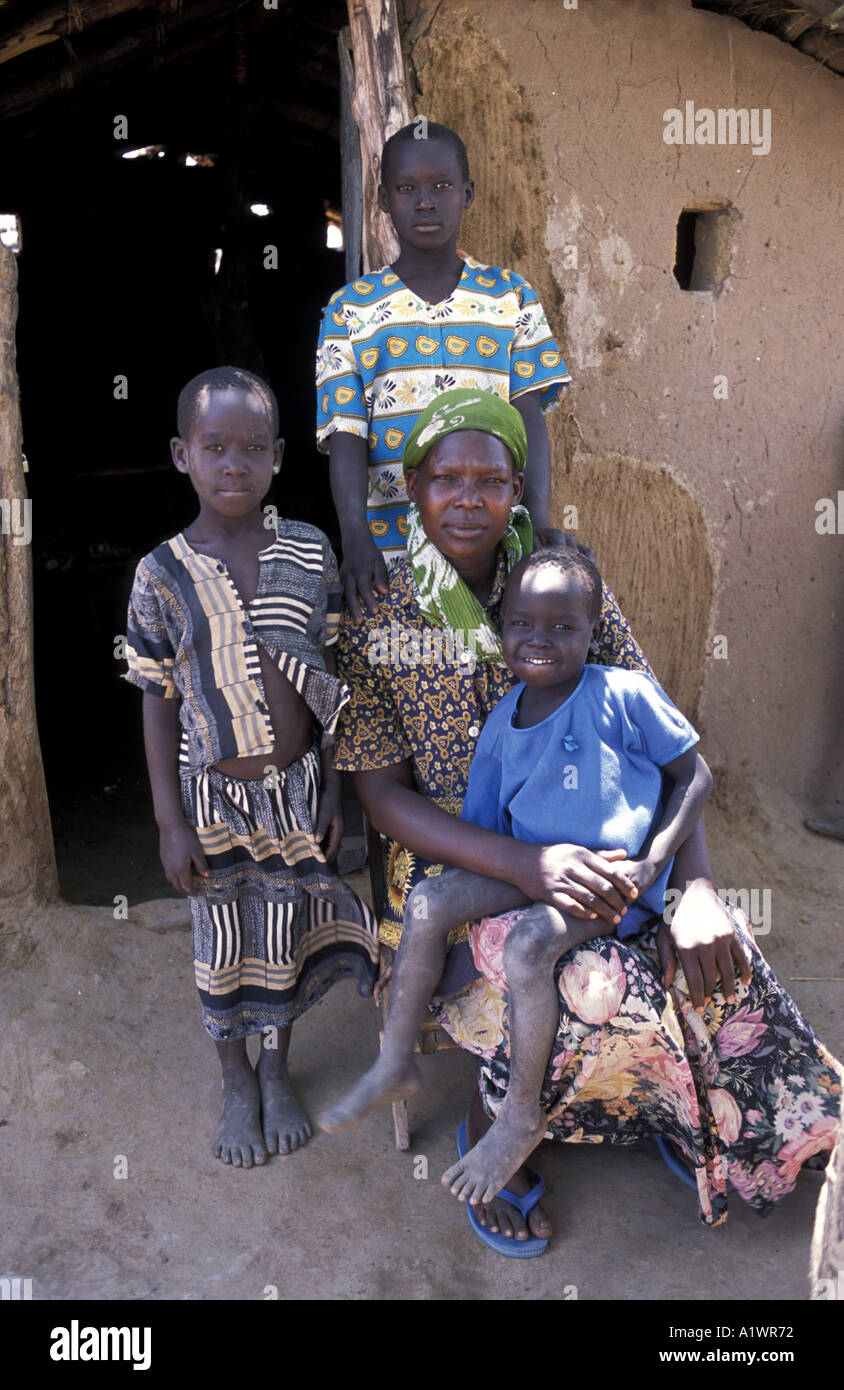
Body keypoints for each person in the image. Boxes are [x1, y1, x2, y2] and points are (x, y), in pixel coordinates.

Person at [331, 387, 842, 1253]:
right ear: (412, 486)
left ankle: (689, 1111)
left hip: (608, 849)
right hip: (460, 851)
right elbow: (382, 797)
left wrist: (700, 889)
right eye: (445, 478)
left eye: (489, 480)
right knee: (580, 975)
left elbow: (666, 750)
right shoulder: (380, 610)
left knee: (716, 949)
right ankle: (499, 1116)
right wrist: (525, 865)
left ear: (518, 486)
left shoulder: (562, 582)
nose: (467, 498)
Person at [322, 542, 713, 1210]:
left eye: (564, 627)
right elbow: (486, 835)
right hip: (536, 872)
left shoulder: (623, 693)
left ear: (595, 630)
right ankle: (394, 1061)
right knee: (428, 900)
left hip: (611, 880)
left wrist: (661, 867)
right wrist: (443, 951)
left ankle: (519, 1117)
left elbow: (694, 775)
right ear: (501, 632)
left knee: (531, 945)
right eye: (523, 625)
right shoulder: (503, 726)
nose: (540, 640)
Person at [124, 367, 379, 1169]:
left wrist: (336, 786)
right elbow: (157, 698)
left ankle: (278, 1069)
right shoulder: (161, 573)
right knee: (222, 940)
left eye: (252, 448)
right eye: (215, 447)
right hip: (213, 800)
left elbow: (333, 674)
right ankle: (234, 1077)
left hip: (299, 789)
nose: (234, 464)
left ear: (276, 458)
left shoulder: (307, 551)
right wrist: (169, 823)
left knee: (286, 935)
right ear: (181, 455)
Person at [316, 120, 572, 620]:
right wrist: (356, 539)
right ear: (385, 200)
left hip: (494, 549)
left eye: (442, 186)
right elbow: (345, 434)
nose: (425, 201)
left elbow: (529, 418)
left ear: (468, 193)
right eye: (407, 188)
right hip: (393, 554)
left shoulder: (509, 296)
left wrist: (537, 518)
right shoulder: (350, 309)